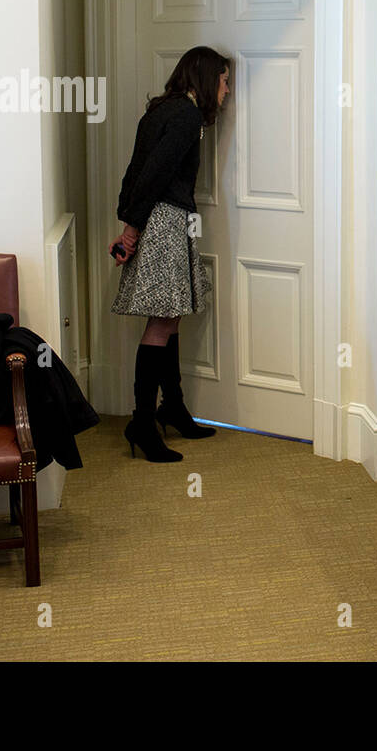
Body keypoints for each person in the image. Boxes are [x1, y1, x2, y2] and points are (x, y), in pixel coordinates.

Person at [109, 46, 230, 462]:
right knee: (162, 321)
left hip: (159, 220)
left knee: (171, 315)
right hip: (163, 222)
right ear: (207, 78)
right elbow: (155, 173)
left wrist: (128, 219)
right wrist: (132, 229)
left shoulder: (162, 110)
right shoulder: (185, 116)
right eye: (224, 80)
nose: (227, 90)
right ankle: (142, 421)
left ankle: (172, 407)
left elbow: (133, 171)